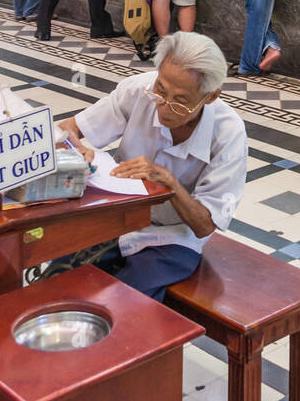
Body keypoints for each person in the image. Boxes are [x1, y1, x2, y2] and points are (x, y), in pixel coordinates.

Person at [60, 31, 247, 300]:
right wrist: (76, 149)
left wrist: (169, 183)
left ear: (210, 96)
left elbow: (205, 225)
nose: (165, 107)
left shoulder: (229, 134)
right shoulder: (139, 90)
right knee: (60, 275)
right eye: (161, 90)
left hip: (173, 238)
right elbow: (69, 128)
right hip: (119, 215)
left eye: (180, 102)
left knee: (126, 301)